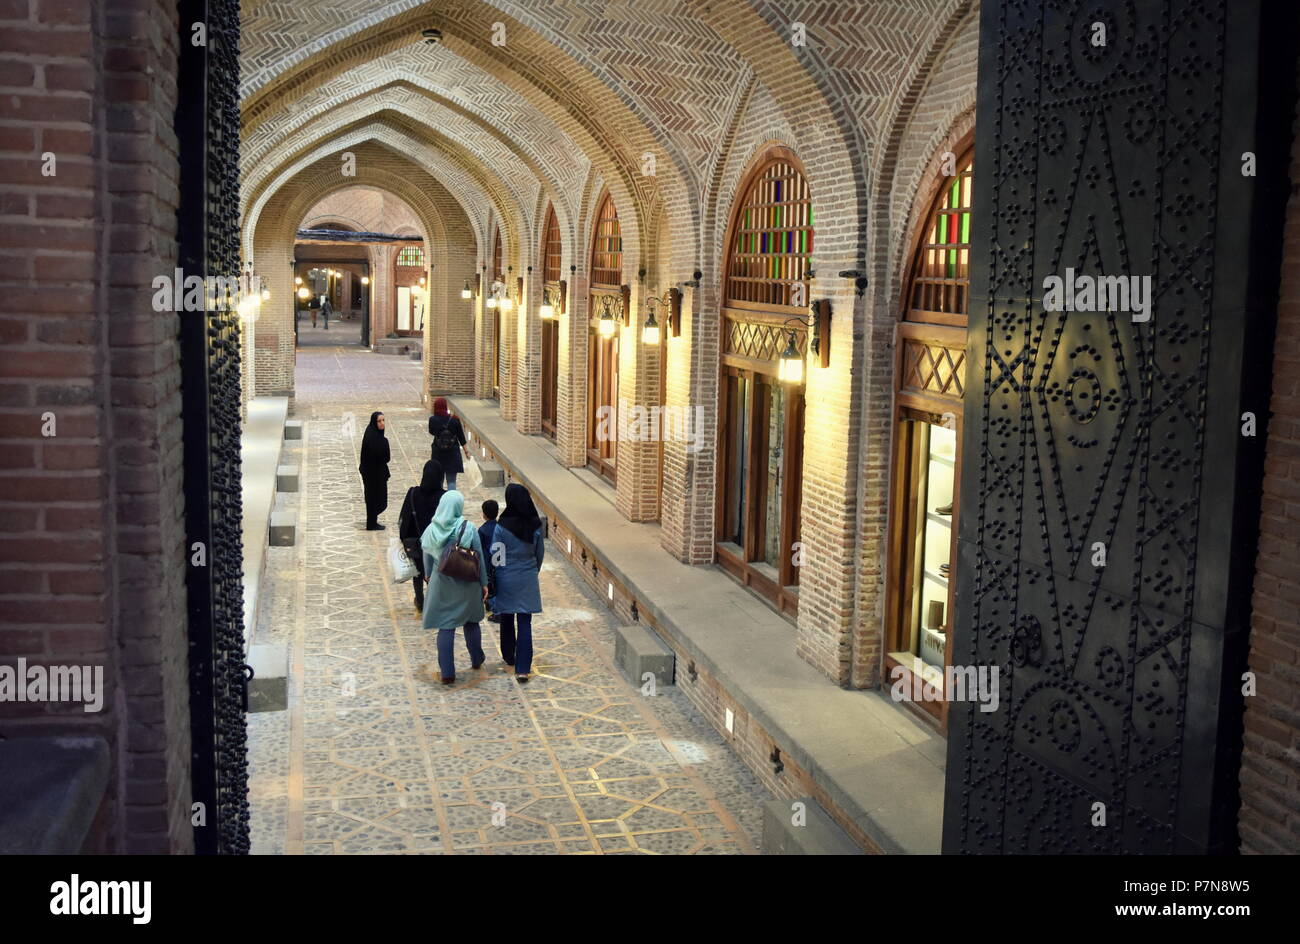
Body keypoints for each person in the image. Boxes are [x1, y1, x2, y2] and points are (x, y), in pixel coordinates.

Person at [420, 490, 489, 684]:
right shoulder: (468, 528)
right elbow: (479, 558)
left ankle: (447, 673)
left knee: (446, 626)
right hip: (467, 582)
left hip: (441, 583)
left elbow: (426, 555)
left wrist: (428, 574)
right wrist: (484, 583)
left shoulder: (431, 529)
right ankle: (476, 659)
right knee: (471, 621)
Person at [492, 483, 544, 683]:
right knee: (525, 622)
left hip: (506, 577)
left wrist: (500, 573)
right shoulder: (536, 524)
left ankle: (509, 656)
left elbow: (496, 557)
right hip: (528, 577)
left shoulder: (501, 526)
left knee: (506, 617)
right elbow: (539, 554)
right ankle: (523, 668)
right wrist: (532, 570)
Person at [398, 459, 445, 612]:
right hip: (438, 544)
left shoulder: (413, 493)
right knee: (436, 573)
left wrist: (404, 539)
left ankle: (420, 600)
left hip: (417, 542)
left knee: (418, 573)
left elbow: (404, 519)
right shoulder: (444, 497)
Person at [428, 396, 469, 490]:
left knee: (439, 481)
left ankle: (440, 501)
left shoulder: (433, 420)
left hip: (438, 453)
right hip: (452, 453)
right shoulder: (454, 420)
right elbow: (461, 437)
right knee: (451, 481)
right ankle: (452, 501)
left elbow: (431, 432)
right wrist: (467, 452)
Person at [358, 411, 390, 530]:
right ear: (374, 422)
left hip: (374, 472)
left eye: (383, 420)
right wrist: (385, 443)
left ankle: (372, 522)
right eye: (379, 421)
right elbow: (385, 457)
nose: (382, 423)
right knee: (373, 498)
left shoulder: (373, 433)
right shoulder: (374, 438)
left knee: (373, 497)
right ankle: (371, 523)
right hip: (373, 474)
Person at [478, 499, 501, 626]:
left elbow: (480, 549)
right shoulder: (500, 527)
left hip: (487, 561)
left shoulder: (482, 530)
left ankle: (496, 611)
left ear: (484, 514)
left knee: (489, 585)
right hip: (499, 561)